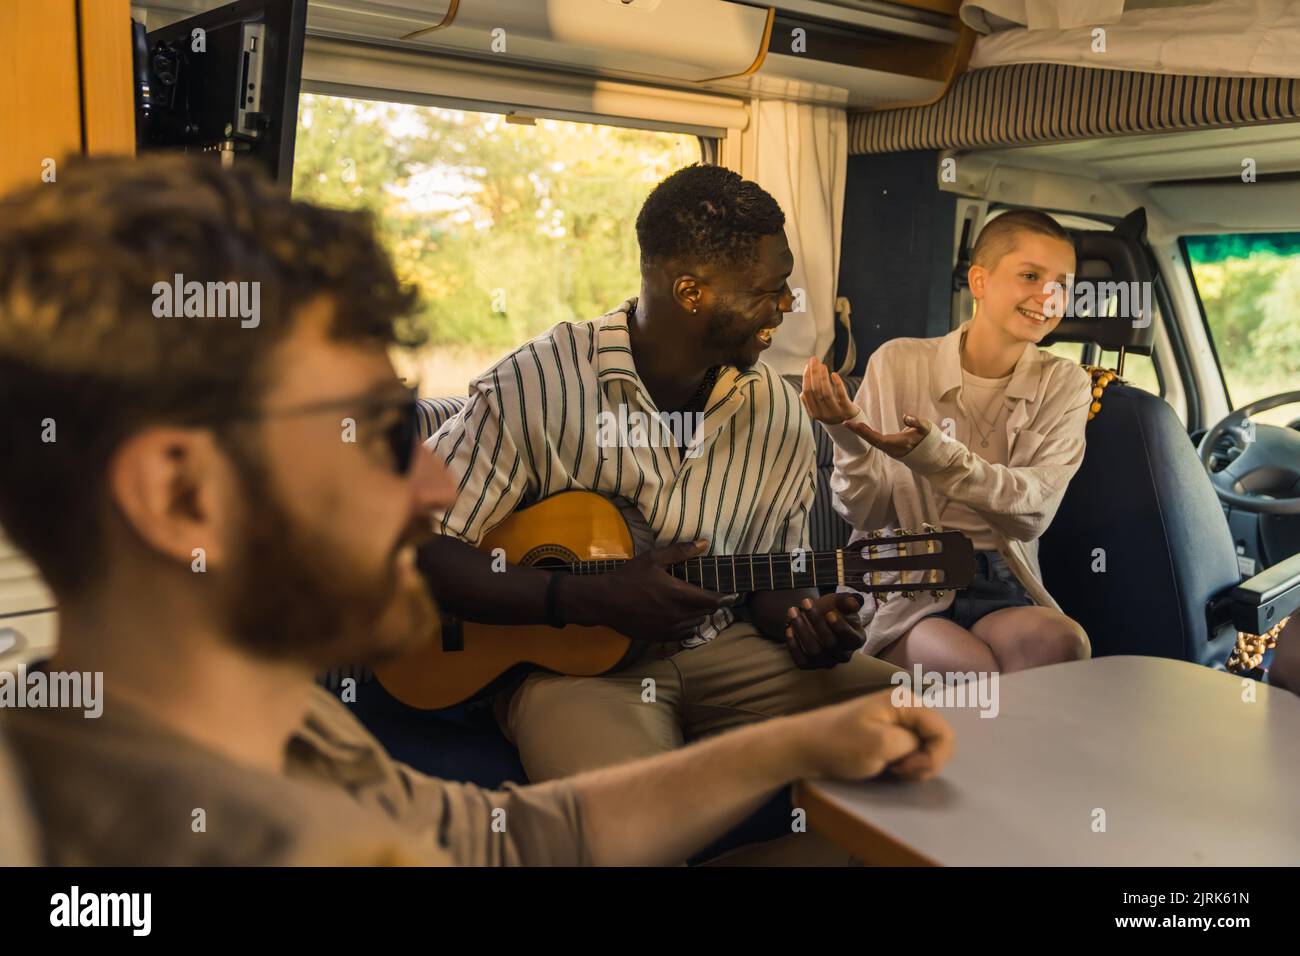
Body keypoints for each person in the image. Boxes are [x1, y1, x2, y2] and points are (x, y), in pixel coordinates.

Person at [0, 154, 952, 866]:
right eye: (377, 433)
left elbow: (528, 838)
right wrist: (573, 604)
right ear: (181, 493)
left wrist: (802, 739)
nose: (439, 487)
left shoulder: (309, 736)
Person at [418, 164, 902, 794]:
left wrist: (807, 623)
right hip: (573, 677)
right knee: (630, 819)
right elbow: (415, 544)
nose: (787, 305)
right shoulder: (539, 381)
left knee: (928, 732)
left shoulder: (779, 410)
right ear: (690, 291)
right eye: (769, 290)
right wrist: (584, 599)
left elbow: (771, 576)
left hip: (724, 653)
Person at [801, 210, 1091, 675]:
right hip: (908, 579)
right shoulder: (898, 362)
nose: (1048, 296)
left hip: (1003, 580)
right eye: (1030, 276)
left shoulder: (1066, 384)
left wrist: (934, 456)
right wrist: (846, 436)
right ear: (980, 280)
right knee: (972, 670)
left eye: (1063, 284)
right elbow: (866, 513)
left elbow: (1032, 513)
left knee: (1065, 642)